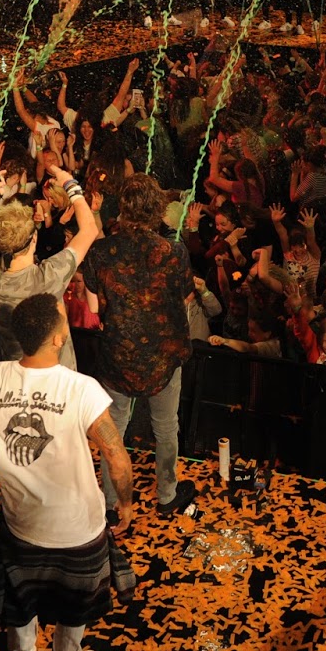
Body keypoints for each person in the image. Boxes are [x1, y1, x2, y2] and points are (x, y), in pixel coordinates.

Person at [0, 294, 134, 651]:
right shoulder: (81, 388)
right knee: (74, 602)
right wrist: (127, 504)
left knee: (20, 597)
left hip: (21, 524)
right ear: (58, 338)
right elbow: (117, 457)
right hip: (79, 530)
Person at [81, 173, 196, 516]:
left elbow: (91, 308)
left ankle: (111, 501)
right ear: (157, 209)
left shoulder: (102, 252)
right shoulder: (174, 251)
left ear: (124, 208)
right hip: (164, 355)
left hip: (118, 355)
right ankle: (167, 493)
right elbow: (186, 302)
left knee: (112, 431)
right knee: (165, 426)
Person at [0, 165, 99, 363]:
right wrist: (70, 183)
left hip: (14, 372)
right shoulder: (50, 276)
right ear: (34, 239)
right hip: (57, 375)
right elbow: (90, 230)